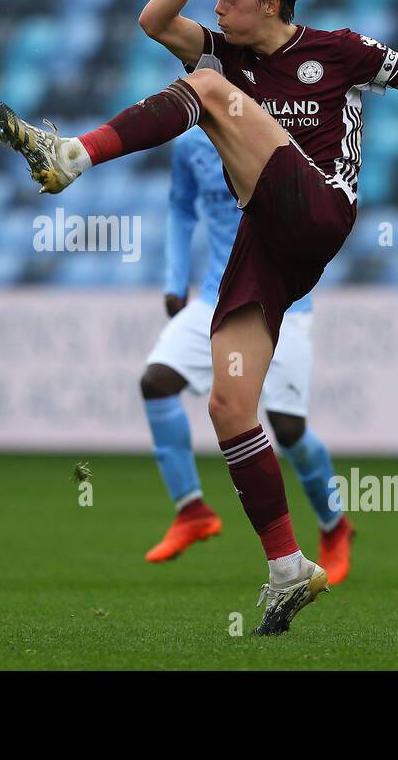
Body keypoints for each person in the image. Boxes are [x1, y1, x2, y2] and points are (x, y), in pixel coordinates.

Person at [0, 0, 398, 634]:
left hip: (321, 207)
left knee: (207, 87)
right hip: (269, 241)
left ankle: (72, 155)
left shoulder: (338, 50)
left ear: (271, 4)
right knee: (229, 405)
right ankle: (286, 566)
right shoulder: (225, 52)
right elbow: (153, 21)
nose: (218, 7)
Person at [141, 127, 354, 583]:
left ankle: (335, 527)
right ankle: (191, 509)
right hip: (217, 296)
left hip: (285, 300)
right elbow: (180, 207)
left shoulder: (276, 121)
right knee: (156, 381)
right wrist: (175, 279)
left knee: (289, 430)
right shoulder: (190, 142)